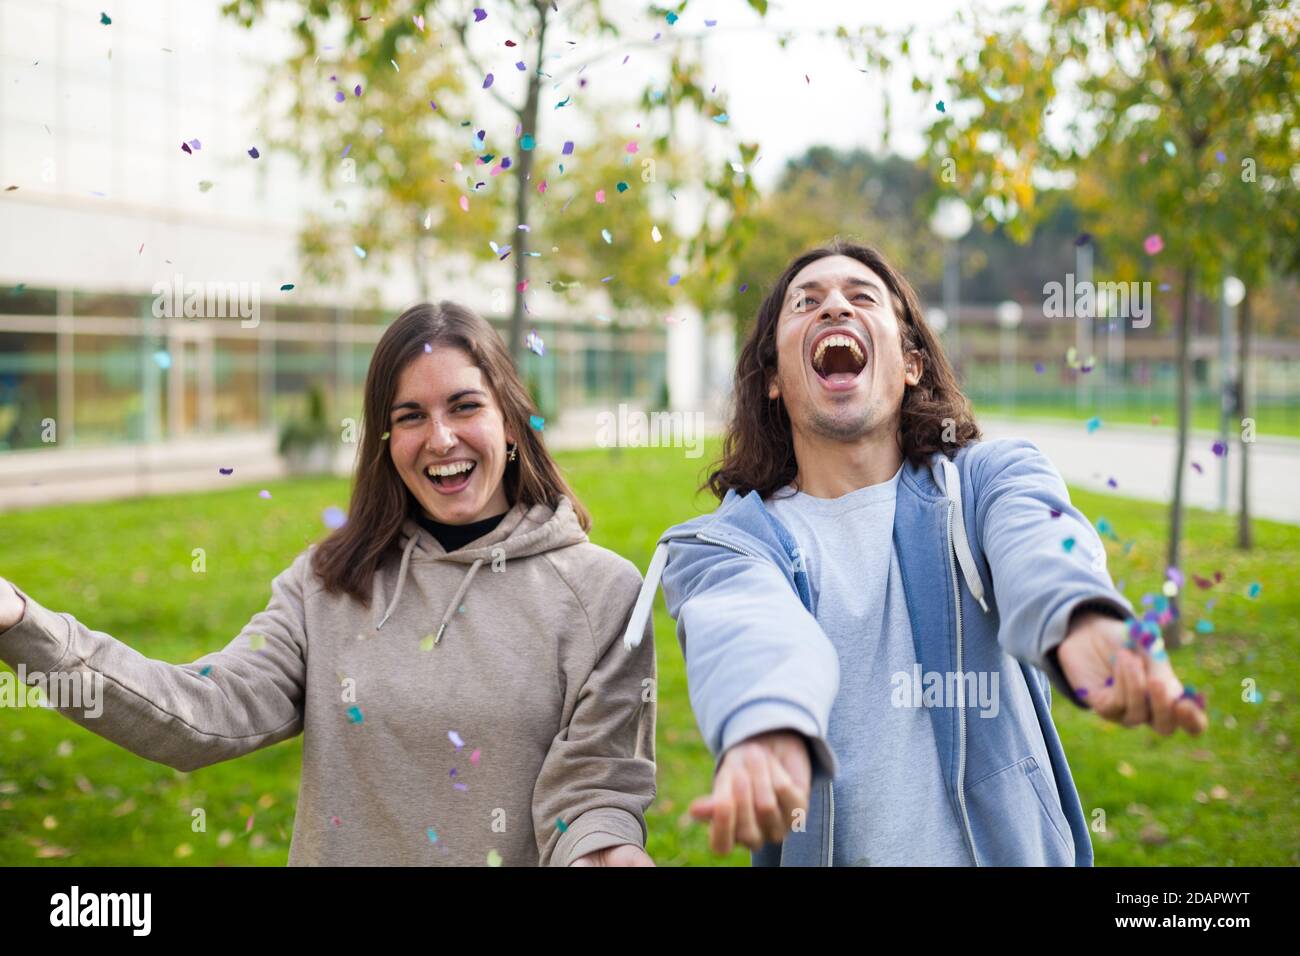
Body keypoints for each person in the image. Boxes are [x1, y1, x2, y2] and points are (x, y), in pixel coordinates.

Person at [0, 301, 656, 867]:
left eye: (464, 406)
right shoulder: (328, 583)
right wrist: (22, 624)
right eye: (410, 416)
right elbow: (201, 714)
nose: (441, 437)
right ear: (383, 438)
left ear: (510, 421)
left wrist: (603, 845)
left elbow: (595, 791)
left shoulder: (601, 595)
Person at [620, 240, 1206, 867]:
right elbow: (748, 627)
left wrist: (1080, 615)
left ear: (911, 364)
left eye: (862, 297)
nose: (835, 308)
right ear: (771, 380)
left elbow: (1038, 540)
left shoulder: (987, 482)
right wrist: (767, 722)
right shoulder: (725, 547)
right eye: (806, 302)